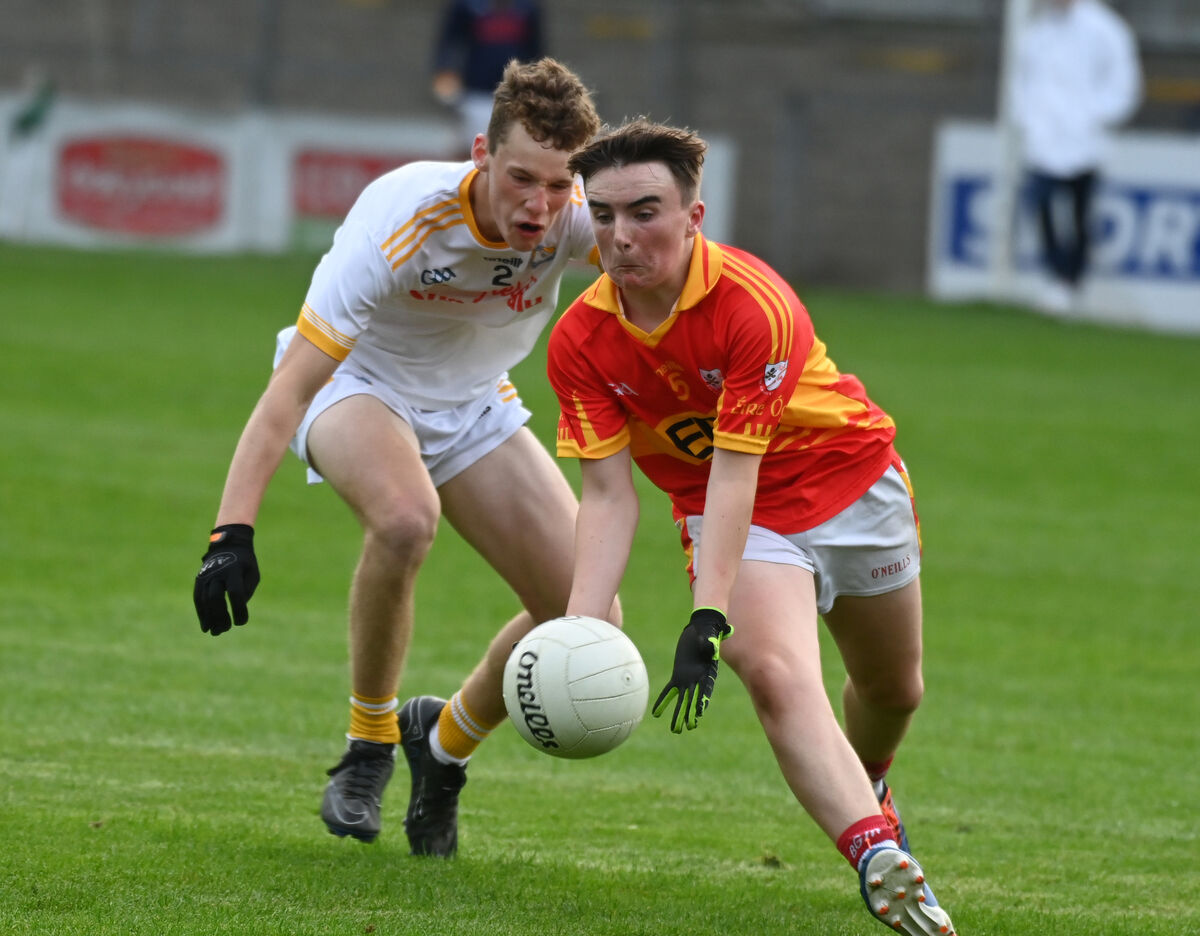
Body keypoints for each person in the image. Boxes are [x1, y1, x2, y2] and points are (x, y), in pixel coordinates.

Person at [547, 119, 958, 936]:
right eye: (603, 216)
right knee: (771, 669)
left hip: (850, 482)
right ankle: (878, 853)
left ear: (694, 217)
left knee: (892, 689)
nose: (622, 237)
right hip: (739, 512)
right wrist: (580, 633)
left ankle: (867, 779)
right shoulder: (581, 341)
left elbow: (741, 458)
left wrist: (705, 610)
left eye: (645, 212)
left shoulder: (751, 303)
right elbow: (608, 495)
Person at [192, 57, 613, 853]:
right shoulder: (406, 214)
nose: (542, 205)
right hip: (354, 383)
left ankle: (442, 741)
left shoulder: (578, 216)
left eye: (561, 185)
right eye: (523, 178)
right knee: (405, 521)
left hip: (474, 402)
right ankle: (369, 744)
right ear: (481, 156)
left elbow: (677, 276)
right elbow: (287, 392)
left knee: (586, 614)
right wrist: (230, 534)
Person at [1010, 0, 1141, 314]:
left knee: (1079, 217)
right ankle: (1058, 276)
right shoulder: (1036, 29)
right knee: (1038, 204)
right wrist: (1029, 120)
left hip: (1085, 143)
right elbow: (1022, 82)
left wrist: (1092, 116)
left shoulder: (1106, 29)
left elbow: (1124, 84)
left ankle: (1071, 282)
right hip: (1043, 142)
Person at [431, 0, 544, 158]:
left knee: (510, 151)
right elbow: (450, 42)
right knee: (473, 149)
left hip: (515, 94)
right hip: (476, 91)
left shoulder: (528, 7)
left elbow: (535, 49)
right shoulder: (466, 5)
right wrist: (445, 73)